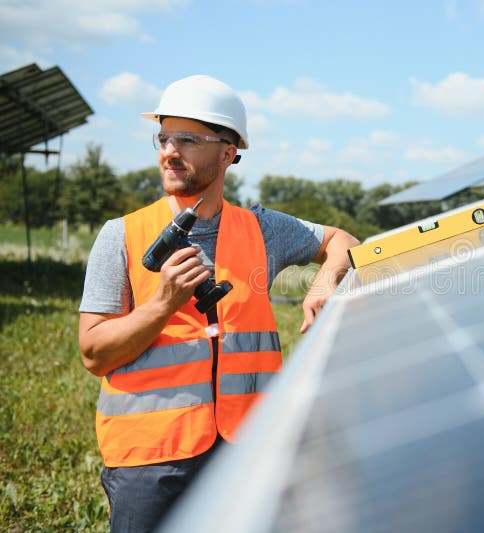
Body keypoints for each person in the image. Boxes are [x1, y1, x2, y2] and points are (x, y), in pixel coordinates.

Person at [78, 74, 359, 532]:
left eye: (187, 140)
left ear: (228, 153)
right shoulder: (121, 236)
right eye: (164, 137)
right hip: (149, 460)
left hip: (243, 451)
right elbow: (93, 353)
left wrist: (326, 280)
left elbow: (342, 241)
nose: (169, 151)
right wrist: (161, 306)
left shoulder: (262, 228)